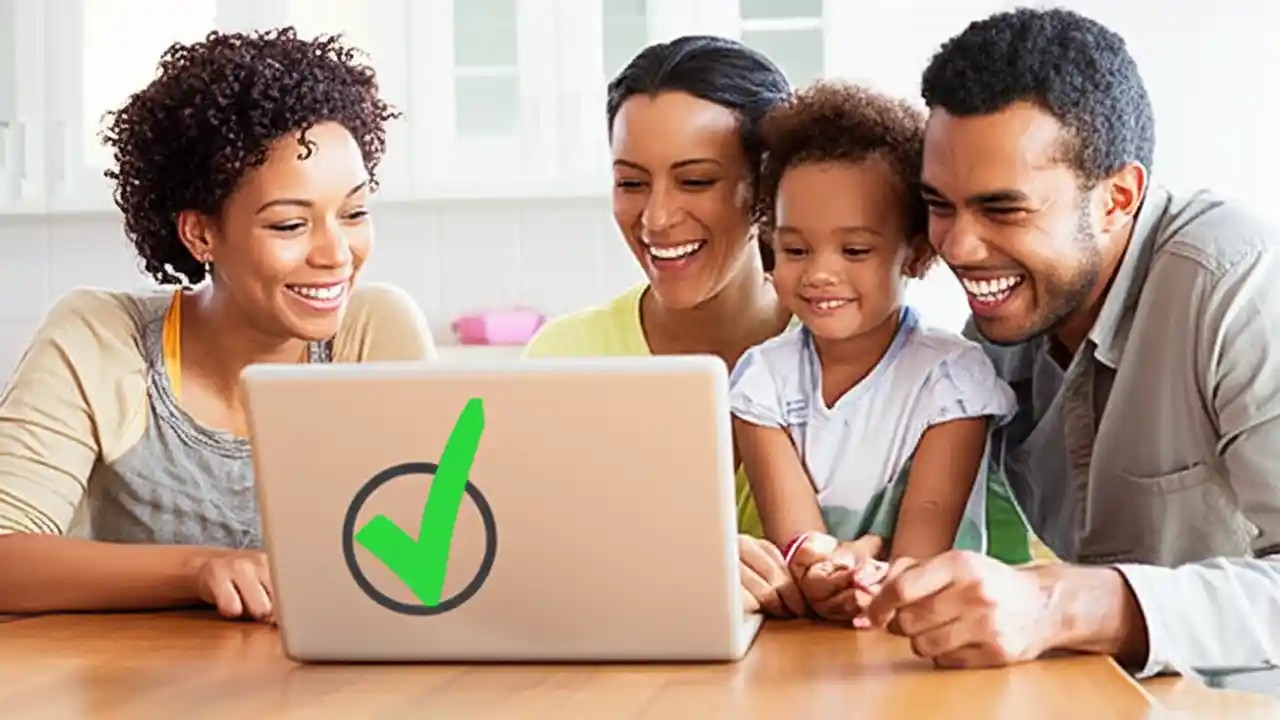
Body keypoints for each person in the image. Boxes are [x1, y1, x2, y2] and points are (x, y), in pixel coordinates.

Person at [865, 7, 1280, 679]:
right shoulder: (998, 334)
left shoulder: (1242, 287)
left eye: (1004, 209)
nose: (958, 248)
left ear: (1118, 197)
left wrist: (1064, 605)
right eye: (940, 205)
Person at [0, 28, 437, 622]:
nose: (336, 254)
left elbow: (427, 562)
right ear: (201, 233)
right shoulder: (101, 339)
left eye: (354, 213)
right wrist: (200, 570)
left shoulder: (373, 333)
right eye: (289, 225)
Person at [729, 80, 1046, 624]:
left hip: (941, 631)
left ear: (917, 253)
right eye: (794, 249)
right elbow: (796, 535)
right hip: (819, 642)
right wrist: (819, 568)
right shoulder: (761, 380)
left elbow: (924, 542)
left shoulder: (953, 378)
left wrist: (872, 573)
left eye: (855, 250)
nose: (820, 273)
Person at [522, 35, 806, 617]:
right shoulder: (564, 357)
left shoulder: (849, 347)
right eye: (631, 182)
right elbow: (508, 560)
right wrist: (670, 567)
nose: (655, 218)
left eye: (695, 181)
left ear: (766, 187)